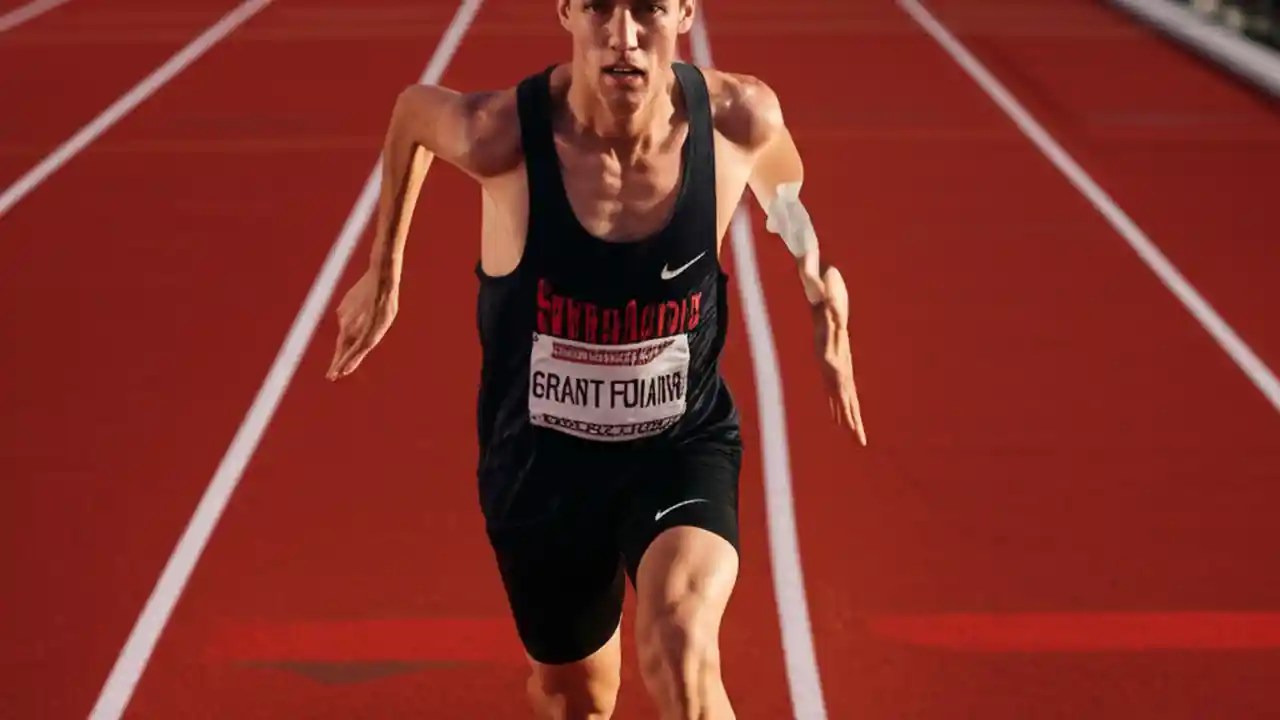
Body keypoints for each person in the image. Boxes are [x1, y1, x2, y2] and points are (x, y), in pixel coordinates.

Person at [326, 1, 865, 717]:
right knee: (577, 699)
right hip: (541, 465)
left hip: (678, 444)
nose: (623, 35)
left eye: (647, 8)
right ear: (566, 12)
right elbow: (414, 114)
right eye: (600, 8)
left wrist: (817, 280)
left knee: (680, 644)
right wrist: (384, 265)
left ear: (684, 11)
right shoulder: (504, 136)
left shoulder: (737, 118)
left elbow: (785, 190)